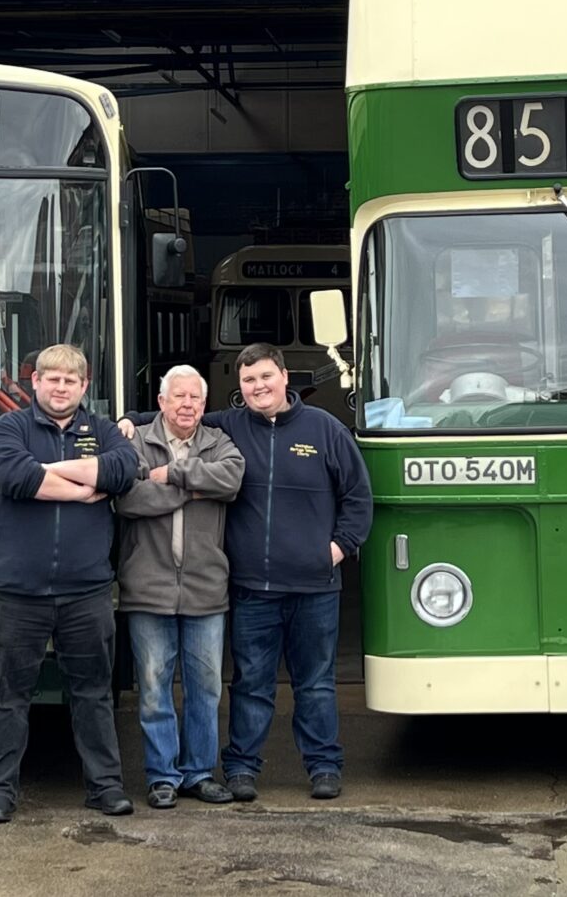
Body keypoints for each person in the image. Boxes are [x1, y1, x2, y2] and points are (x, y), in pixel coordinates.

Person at [121, 342, 372, 802]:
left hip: (316, 584)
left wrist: (337, 550)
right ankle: (240, 769)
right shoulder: (227, 426)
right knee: (251, 684)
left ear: (283, 378)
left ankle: (324, 767)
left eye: (265, 378)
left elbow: (358, 497)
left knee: (315, 683)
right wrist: (126, 421)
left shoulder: (326, 429)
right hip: (253, 587)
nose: (258, 387)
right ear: (239, 390)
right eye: (249, 381)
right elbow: (177, 413)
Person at [0, 344, 140, 824]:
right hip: (16, 591)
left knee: (93, 693)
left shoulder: (104, 431)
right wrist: (86, 488)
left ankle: (105, 787)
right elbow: (11, 474)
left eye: (71, 380)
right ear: (35, 383)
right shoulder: (9, 428)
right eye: (52, 379)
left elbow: (124, 469)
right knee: (8, 695)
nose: (61, 387)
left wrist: (46, 473)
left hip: (85, 591)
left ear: (84, 387)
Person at [114, 365, 245, 809]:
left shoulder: (218, 442)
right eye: (179, 397)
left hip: (207, 589)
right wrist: (193, 487)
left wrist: (170, 475)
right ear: (162, 400)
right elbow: (126, 497)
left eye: (195, 398)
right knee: (153, 688)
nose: (188, 405)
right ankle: (162, 776)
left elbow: (232, 479)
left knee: (205, 690)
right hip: (147, 587)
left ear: (203, 405)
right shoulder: (134, 441)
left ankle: (199, 773)